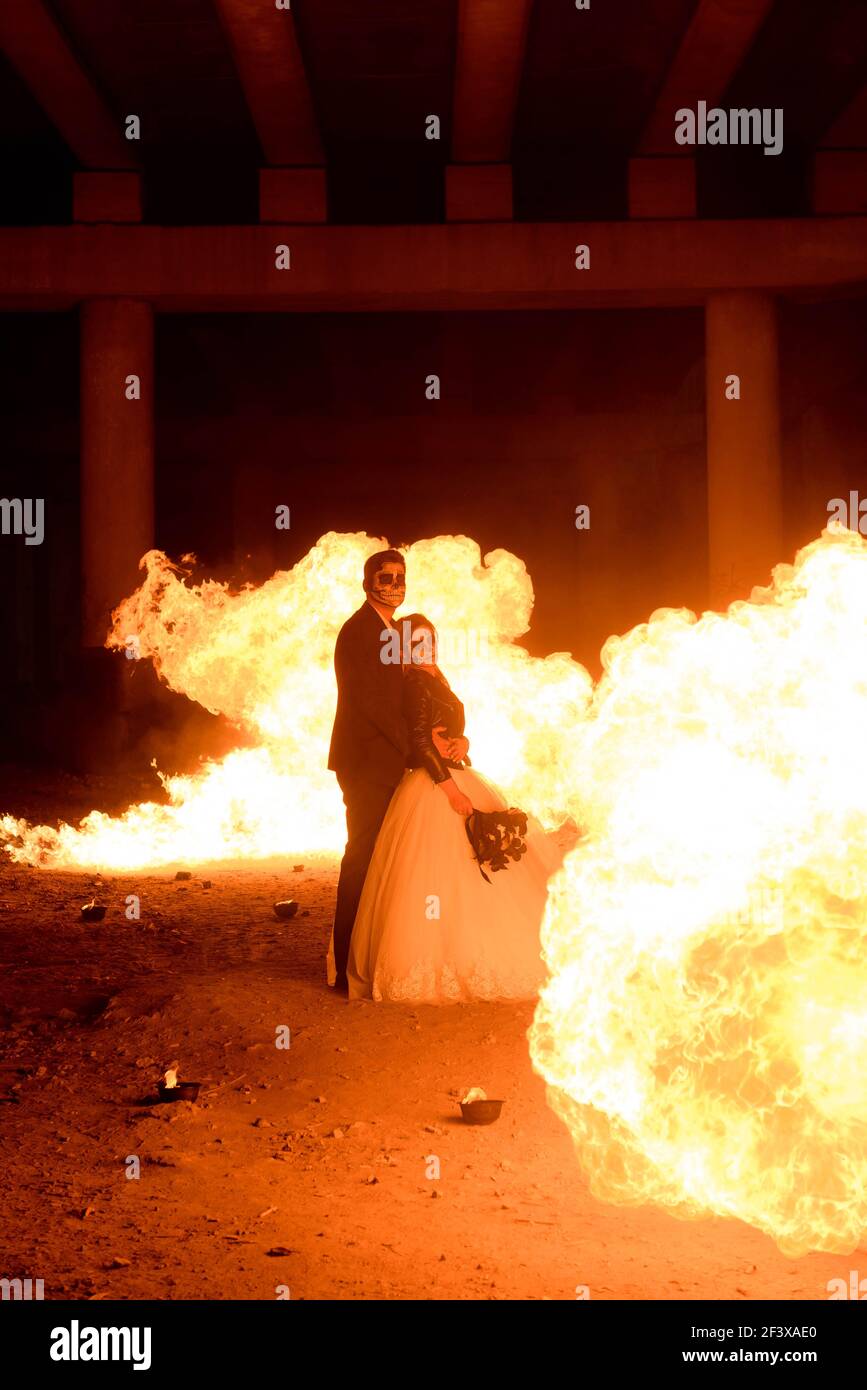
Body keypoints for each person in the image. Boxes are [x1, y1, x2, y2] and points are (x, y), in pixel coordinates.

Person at [347, 614, 566, 1003]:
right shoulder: (414, 681)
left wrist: (463, 742)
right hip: (436, 783)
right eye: (416, 643)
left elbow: (443, 731)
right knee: (441, 873)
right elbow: (417, 740)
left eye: (429, 640)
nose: (425, 648)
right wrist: (450, 790)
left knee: (478, 864)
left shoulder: (435, 676)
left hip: (455, 771)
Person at [326, 550, 449, 992]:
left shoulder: (397, 632)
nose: (394, 584)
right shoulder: (358, 631)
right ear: (367, 582)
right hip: (365, 763)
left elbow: (410, 695)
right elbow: (371, 703)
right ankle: (344, 969)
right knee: (362, 857)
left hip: (393, 761)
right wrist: (419, 746)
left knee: (386, 860)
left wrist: (439, 732)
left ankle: (372, 956)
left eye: (401, 577)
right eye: (385, 577)